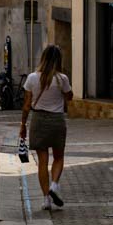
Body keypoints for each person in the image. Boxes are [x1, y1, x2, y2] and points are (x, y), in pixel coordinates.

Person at [20, 44, 72, 212]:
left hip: (39, 120)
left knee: (42, 161)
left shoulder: (32, 78)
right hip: (57, 121)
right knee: (58, 156)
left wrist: (23, 125)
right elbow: (69, 97)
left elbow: (27, 105)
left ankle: (46, 200)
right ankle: (54, 185)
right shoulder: (62, 78)